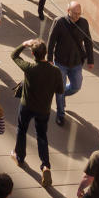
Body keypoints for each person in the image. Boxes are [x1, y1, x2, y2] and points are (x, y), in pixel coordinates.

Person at [11, 39, 64, 188]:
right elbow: (60, 91)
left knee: (21, 130)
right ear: (46, 53)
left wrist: (23, 44)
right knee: (42, 136)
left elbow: (14, 56)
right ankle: (45, 165)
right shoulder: (55, 71)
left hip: (27, 106)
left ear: (33, 54)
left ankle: (20, 157)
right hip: (44, 109)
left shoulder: (30, 68)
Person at [47, 1, 94, 124]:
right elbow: (51, 41)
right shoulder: (59, 22)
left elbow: (88, 42)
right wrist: (49, 59)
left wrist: (91, 60)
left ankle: (62, 97)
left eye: (79, 13)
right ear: (68, 11)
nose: (78, 16)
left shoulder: (84, 23)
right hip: (60, 62)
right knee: (60, 90)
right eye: (75, 13)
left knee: (76, 86)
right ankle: (60, 114)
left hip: (76, 62)